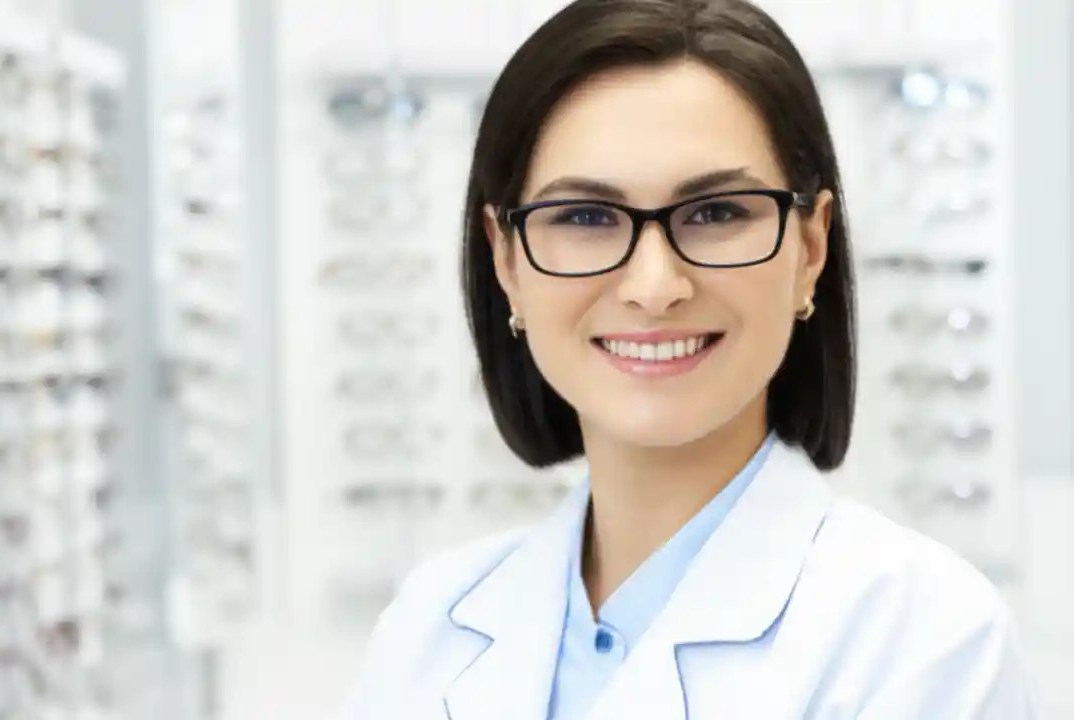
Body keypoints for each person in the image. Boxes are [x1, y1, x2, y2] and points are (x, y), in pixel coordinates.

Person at [340, 0, 1037, 718]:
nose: (654, 288)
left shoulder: (923, 642)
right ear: (506, 261)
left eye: (716, 213)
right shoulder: (429, 628)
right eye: (584, 217)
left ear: (811, 250)